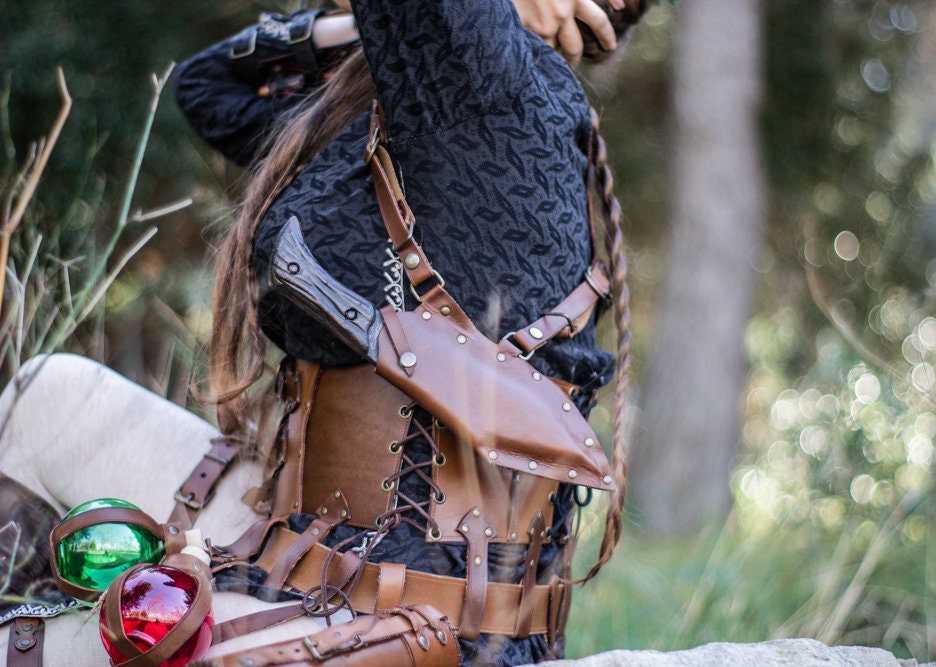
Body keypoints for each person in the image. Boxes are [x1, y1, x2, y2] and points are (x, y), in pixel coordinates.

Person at [0, 0, 648, 664]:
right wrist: (363, 28)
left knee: (10, 646)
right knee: (46, 397)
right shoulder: (411, 103)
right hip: (306, 542)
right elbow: (209, 87)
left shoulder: (489, 90)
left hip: (403, 625)